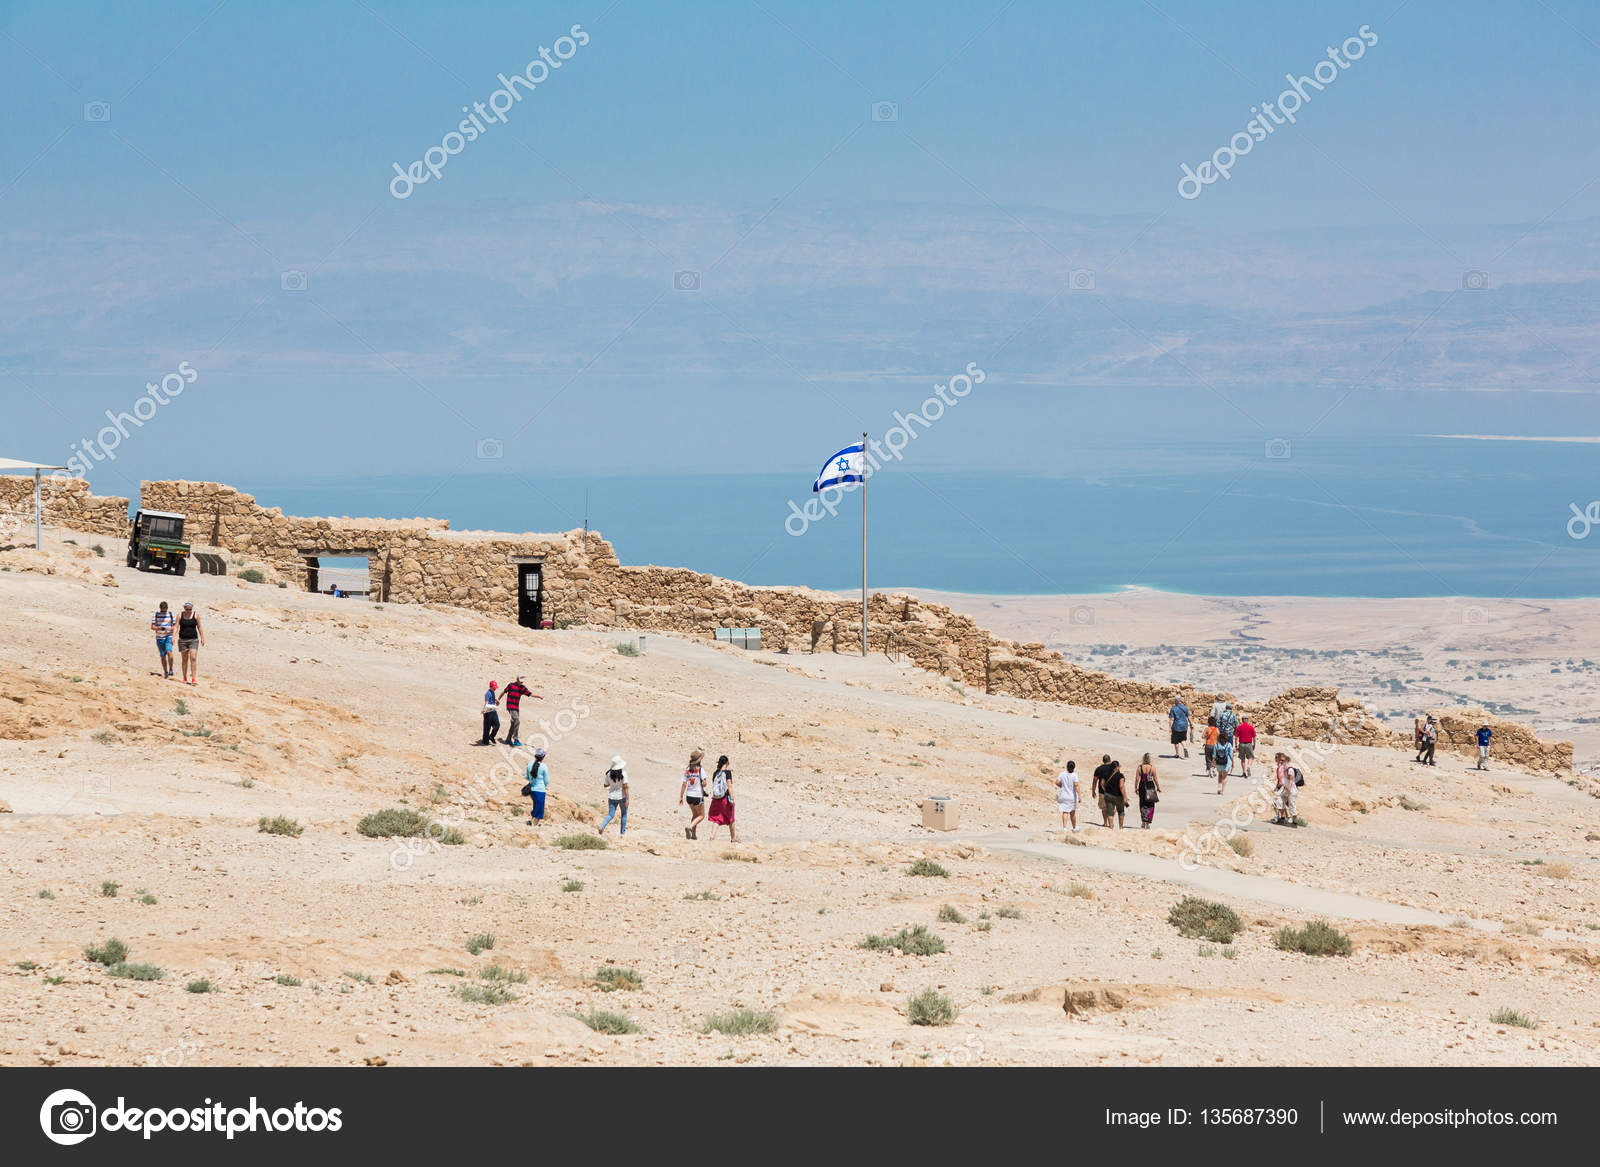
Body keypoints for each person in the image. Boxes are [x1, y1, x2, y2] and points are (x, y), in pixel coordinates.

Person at [498, 675, 541, 748]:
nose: (521, 682)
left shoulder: (522, 688)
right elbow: (504, 692)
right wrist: (498, 699)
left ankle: (508, 739)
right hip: (510, 706)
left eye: (522, 681)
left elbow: (530, 694)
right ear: (517, 679)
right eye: (520, 681)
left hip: (516, 707)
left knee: (514, 722)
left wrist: (539, 696)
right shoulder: (511, 685)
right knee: (517, 720)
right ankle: (516, 739)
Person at [706, 754, 737, 842]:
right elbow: (729, 786)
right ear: (726, 763)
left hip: (716, 799)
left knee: (717, 819)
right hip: (725, 799)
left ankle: (712, 837)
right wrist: (732, 799)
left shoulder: (715, 773)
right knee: (731, 818)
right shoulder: (727, 773)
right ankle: (733, 838)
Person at [680, 748, 709, 839]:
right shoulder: (700, 769)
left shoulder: (687, 769)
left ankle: (693, 835)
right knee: (701, 816)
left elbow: (684, 784)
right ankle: (690, 827)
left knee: (695, 815)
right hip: (697, 795)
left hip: (689, 795)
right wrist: (701, 784)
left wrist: (681, 796)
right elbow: (704, 783)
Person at [598, 756, 629, 835]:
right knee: (624, 814)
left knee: (611, 814)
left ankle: (602, 825)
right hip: (622, 797)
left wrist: (612, 785)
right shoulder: (623, 774)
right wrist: (628, 799)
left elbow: (605, 785)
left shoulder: (608, 774)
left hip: (612, 797)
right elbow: (625, 787)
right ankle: (622, 833)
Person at [176, 602, 205, 685]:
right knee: (184, 659)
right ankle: (184, 677)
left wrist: (202, 638)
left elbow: (199, 626)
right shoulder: (180, 615)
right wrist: (173, 637)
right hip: (183, 640)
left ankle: (193, 678)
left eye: (190, 609)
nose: (188, 611)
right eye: (187, 609)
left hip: (193, 640)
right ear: (184, 609)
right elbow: (176, 626)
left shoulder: (196, 615)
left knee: (193, 658)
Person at [1273, 752, 1300, 826]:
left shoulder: (1289, 769)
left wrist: (1287, 792)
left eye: (1283, 760)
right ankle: (1282, 818)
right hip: (1285, 789)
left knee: (1292, 806)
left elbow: (1291, 781)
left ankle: (1294, 823)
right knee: (1279, 801)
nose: (1281, 761)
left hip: (1291, 790)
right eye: (1280, 760)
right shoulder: (1284, 768)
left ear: (1286, 760)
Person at [150, 601, 176, 679]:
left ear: (167, 608)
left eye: (164, 610)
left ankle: (171, 669)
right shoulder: (156, 615)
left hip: (169, 636)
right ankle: (166, 671)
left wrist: (171, 630)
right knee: (163, 655)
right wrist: (159, 628)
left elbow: (175, 626)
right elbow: (152, 627)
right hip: (159, 637)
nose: (163, 612)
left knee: (169, 651)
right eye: (162, 610)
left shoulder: (171, 614)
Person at [1134, 752, 1160, 828]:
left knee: (1142, 803)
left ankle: (1143, 820)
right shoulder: (1152, 767)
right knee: (1150, 803)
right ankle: (1148, 822)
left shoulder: (1139, 767)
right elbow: (1155, 778)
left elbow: (1137, 779)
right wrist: (1158, 787)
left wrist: (1135, 787)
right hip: (1150, 785)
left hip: (1142, 785)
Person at [525, 747, 550, 826]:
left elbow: (527, 777)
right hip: (540, 790)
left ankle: (532, 822)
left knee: (535, 806)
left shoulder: (529, 764)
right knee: (540, 809)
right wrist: (544, 786)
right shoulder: (544, 766)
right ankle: (534, 825)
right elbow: (546, 780)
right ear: (543, 756)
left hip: (532, 790)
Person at [1054, 760, 1080, 832]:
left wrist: (1062, 786)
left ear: (1067, 767)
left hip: (1063, 795)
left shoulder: (1062, 774)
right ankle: (1074, 828)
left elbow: (1056, 782)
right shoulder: (1074, 775)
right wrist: (1080, 796)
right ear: (1074, 767)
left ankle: (1065, 828)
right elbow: (1076, 785)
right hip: (1071, 796)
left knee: (1065, 812)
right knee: (1072, 813)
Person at [1090, 754, 1115, 828]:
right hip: (1113, 791)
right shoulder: (1114, 768)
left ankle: (1105, 823)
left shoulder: (1099, 769)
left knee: (1104, 808)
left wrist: (1093, 791)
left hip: (1102, 791)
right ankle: (1111, 821)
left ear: (1103, 761)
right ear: (1110, 760)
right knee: (1113, 807)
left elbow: (1095, 781)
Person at [1103, 760, 1128, 830]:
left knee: (1110, 812)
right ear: (1116, 767)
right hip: (1118, 796)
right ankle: (1120, 827)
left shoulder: (1106, 774)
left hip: (1108, 795)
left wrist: (1106, 790)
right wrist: (1125, 797)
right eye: (1119, 766)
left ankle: (1111, 827)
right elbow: (1121, 786)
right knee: (1121, 811)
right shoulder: (1120, 775)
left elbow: (1102, 783)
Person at [479, 681, 501, 745]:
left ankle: (491, 736)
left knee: (497, 725)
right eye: (494, 687)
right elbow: (486, 703)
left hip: (493, 711)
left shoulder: (492, 692)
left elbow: (492, 698)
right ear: (490, 687)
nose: (495, 689)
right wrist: (484, 711)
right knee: (487, 727)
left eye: (495, 687)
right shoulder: (487, 693)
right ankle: (485, 741)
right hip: (488, 712)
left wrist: (496, 700)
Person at [1236, 714, 1257, 779]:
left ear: (1242, 720)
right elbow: (1254, 737)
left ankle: (1244, 772)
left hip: (1241, 744)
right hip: (1249, 744)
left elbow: (1236, 737)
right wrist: (1254, 745)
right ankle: (1248, 766)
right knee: (1250, 757)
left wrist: (1236, 745)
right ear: (1247, 720)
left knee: (1242, 759)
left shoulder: (1239, 727)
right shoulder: (1251, 727)